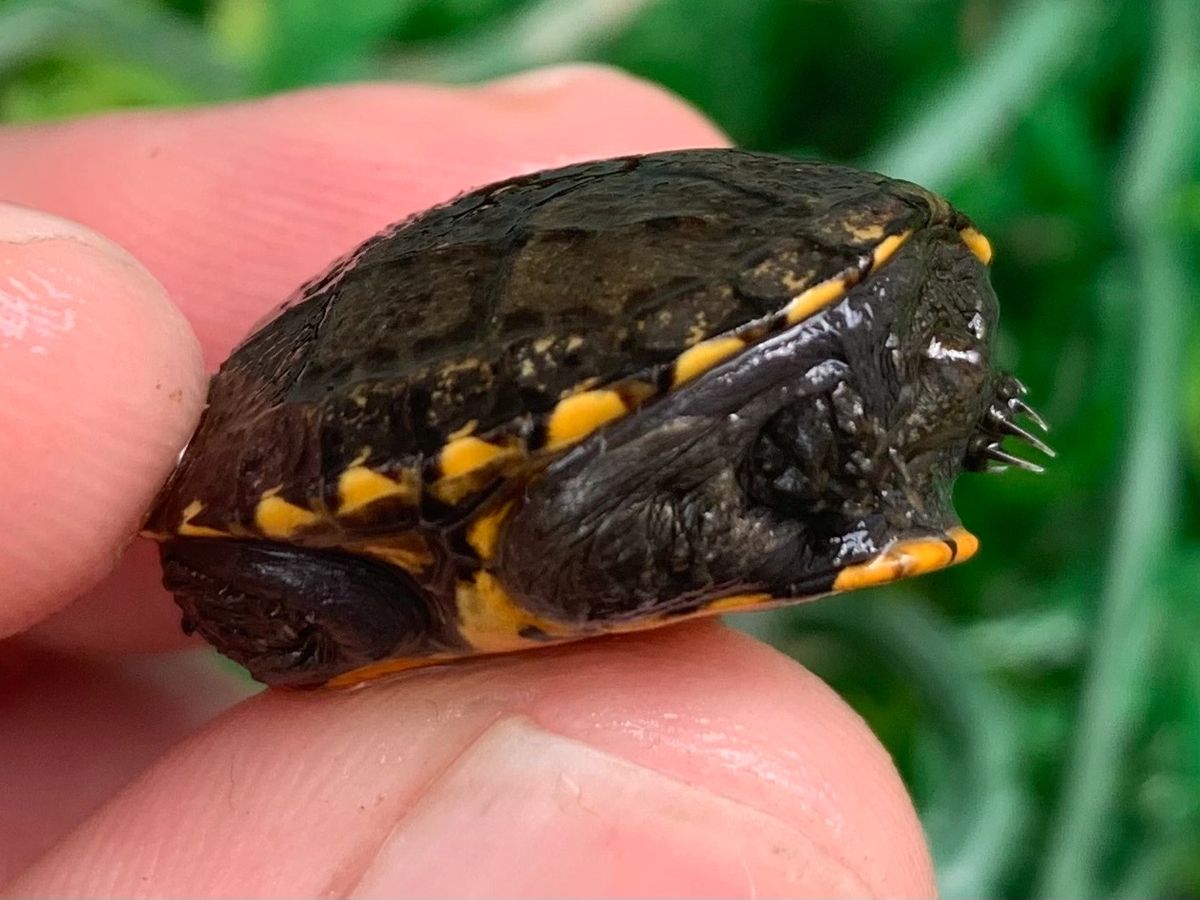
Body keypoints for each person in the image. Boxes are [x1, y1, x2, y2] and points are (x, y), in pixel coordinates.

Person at [0, 65, 935, 898]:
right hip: (349, 480)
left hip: (513, 496)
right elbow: (561, 539)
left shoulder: (887, 315)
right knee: (371, 578)